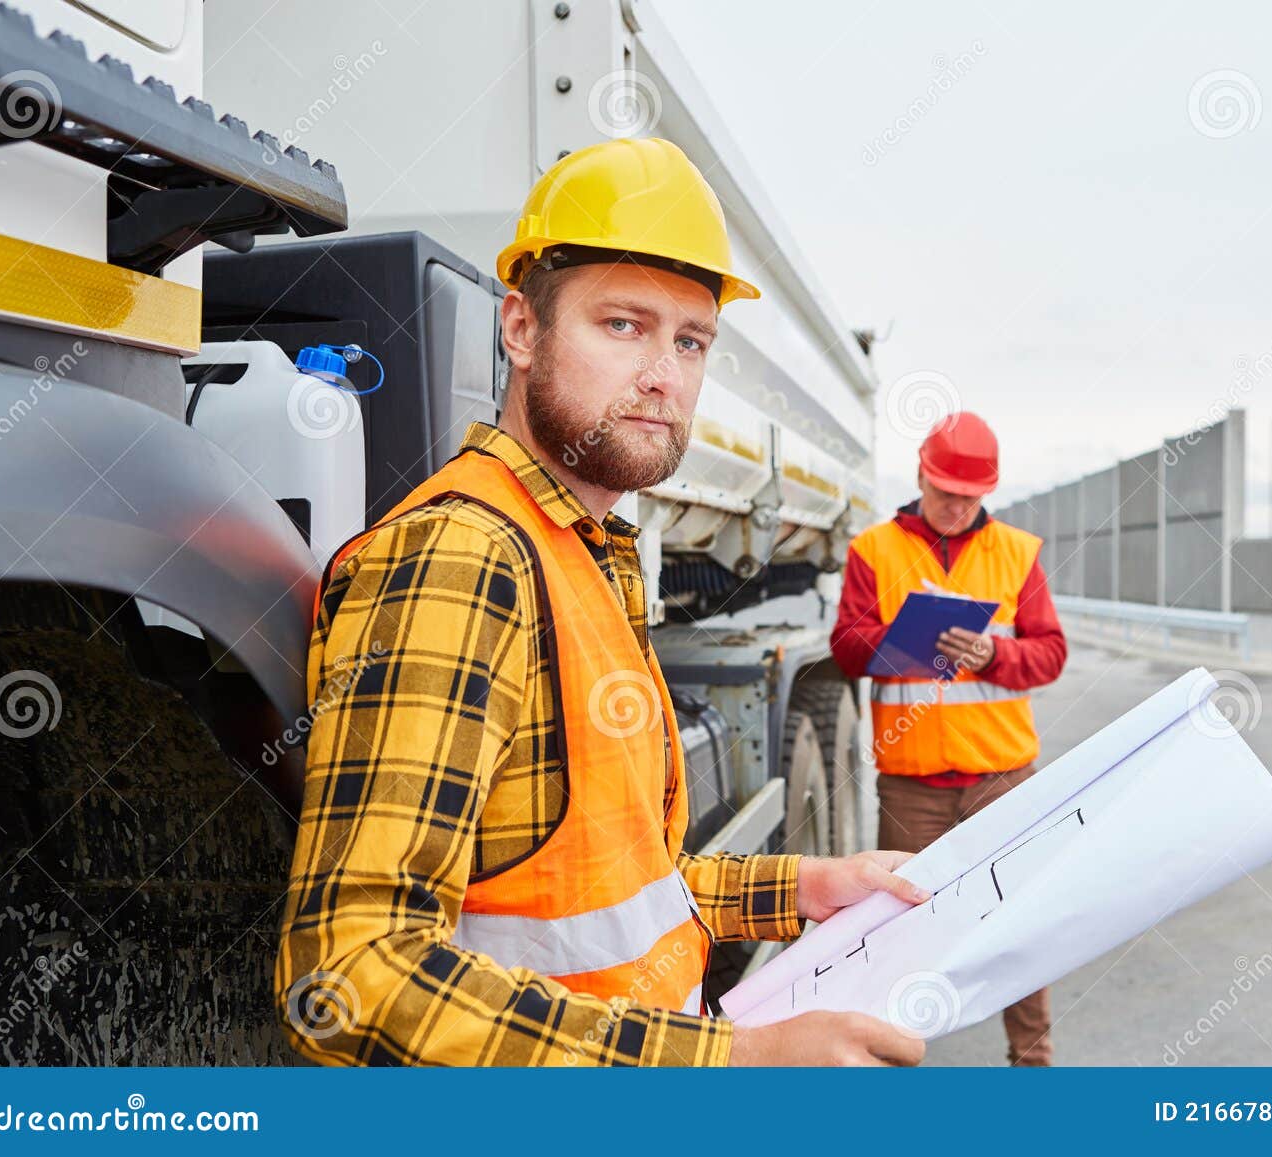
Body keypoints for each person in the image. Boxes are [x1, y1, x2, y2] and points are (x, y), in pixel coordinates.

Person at [275, 137, 928, 1067]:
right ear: (521, 330)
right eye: (622, 325)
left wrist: (811, 885)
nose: (664, 373)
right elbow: (353, 977)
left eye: (690, 339)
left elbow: (614, 892)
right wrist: (734, 1063)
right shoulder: (461, 558)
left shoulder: (580, 550)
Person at [829, 411, 1069, 1065]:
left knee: (1016, 924)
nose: (958, 508)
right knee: (904, 934)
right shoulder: (873, 550)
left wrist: (992, 653)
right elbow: (847, 647)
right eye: (946, 495)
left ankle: (1032, 1062)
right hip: (912, 785)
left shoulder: (1019, 552)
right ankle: (893, 1062)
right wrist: (904, 641)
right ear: (920, 478)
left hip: (1001, 777)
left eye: (971, 498)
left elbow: (1049, 654)